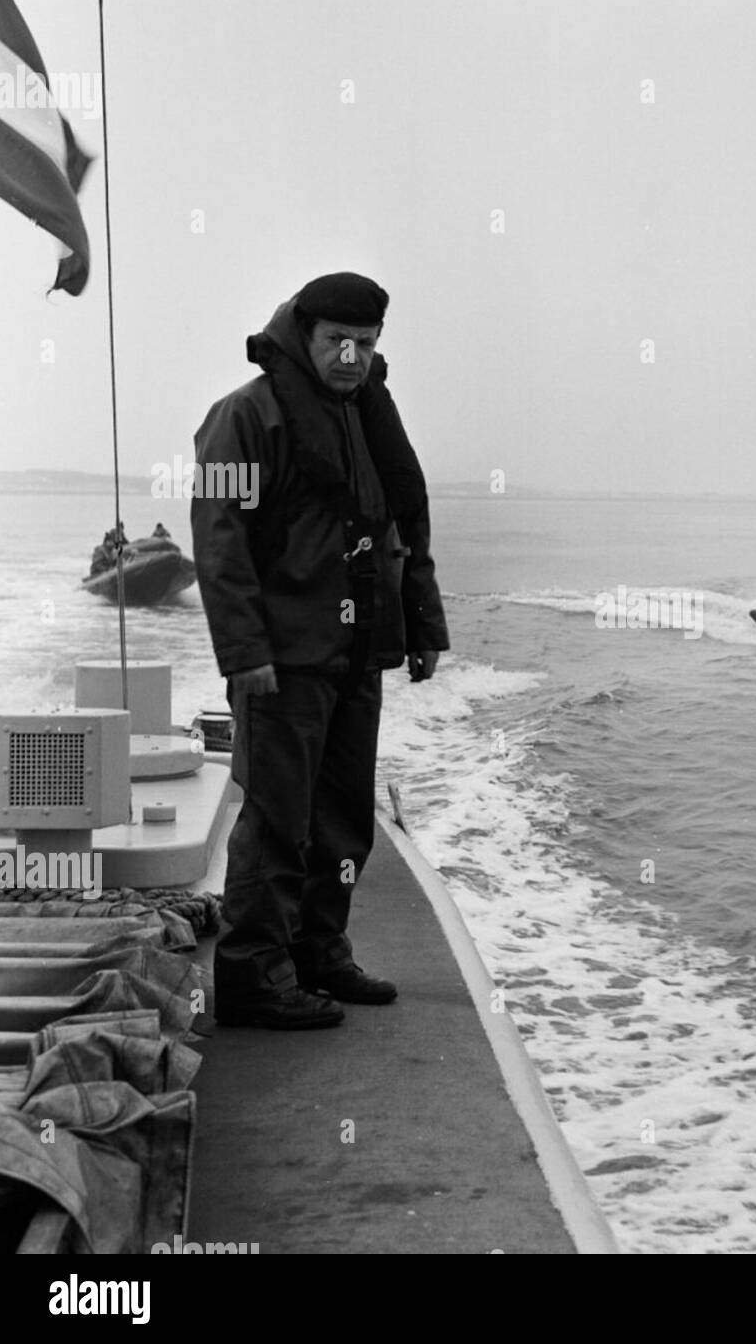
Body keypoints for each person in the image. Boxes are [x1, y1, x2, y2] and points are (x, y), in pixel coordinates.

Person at [192, 272, 450, 1030]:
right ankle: (249, 975)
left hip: (356, 654)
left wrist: (422, 628)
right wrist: (244, 652)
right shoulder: (245, 417)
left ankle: (318, 951)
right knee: (277, 820)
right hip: (282, 660)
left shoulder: (367, 418)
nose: (351, 356)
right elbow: (220, 541)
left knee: (341, 820)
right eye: (337, 341)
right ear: (303, 336)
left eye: (365, 344)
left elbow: (402, 528)